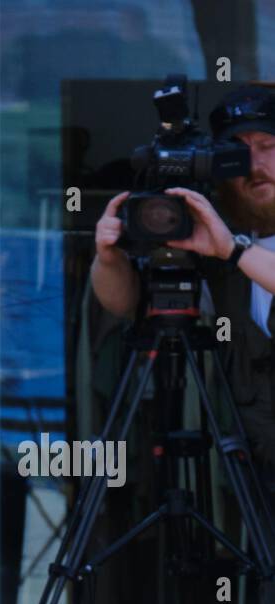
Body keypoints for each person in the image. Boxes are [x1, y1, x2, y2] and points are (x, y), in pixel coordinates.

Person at [90, 85, 275, 478]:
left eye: (267, 144)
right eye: (237, 150)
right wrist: (108, 257)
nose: (253, 163)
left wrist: (233, 251)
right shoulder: (220, 245)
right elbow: (125, 304)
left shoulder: (229, 248)